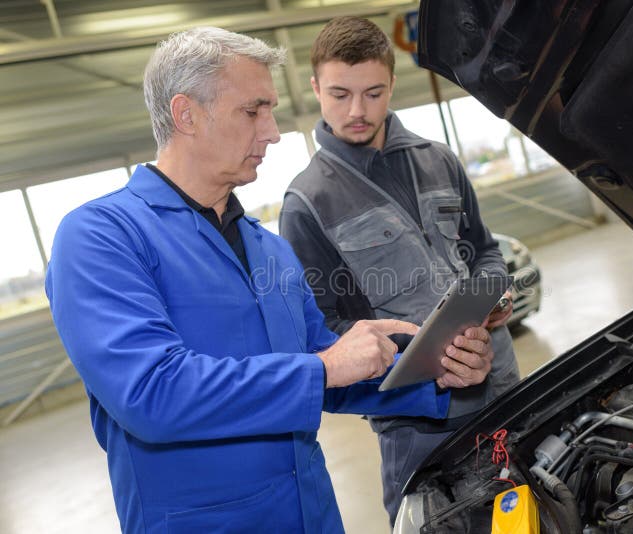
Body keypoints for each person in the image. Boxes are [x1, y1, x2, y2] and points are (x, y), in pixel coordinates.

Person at [45, 26, 496, 533]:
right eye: (253, 110)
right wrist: (324, 367)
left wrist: (436, 370)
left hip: (312, 516)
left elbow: (329, 369)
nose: (273, 131)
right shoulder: (102, 236)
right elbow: (152, 393)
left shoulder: (269, 249)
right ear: (185, 113)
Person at [279, 16, 521, 526]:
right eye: (340, 94)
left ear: (392, 83)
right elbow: (325, 334)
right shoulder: (307, 204)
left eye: (373, 92)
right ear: (315, 87)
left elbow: (484, 250)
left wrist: (495, 292)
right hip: (420, 422)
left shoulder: (439, 161)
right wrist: (423, 357)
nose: (358, 111)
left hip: (504, 383)